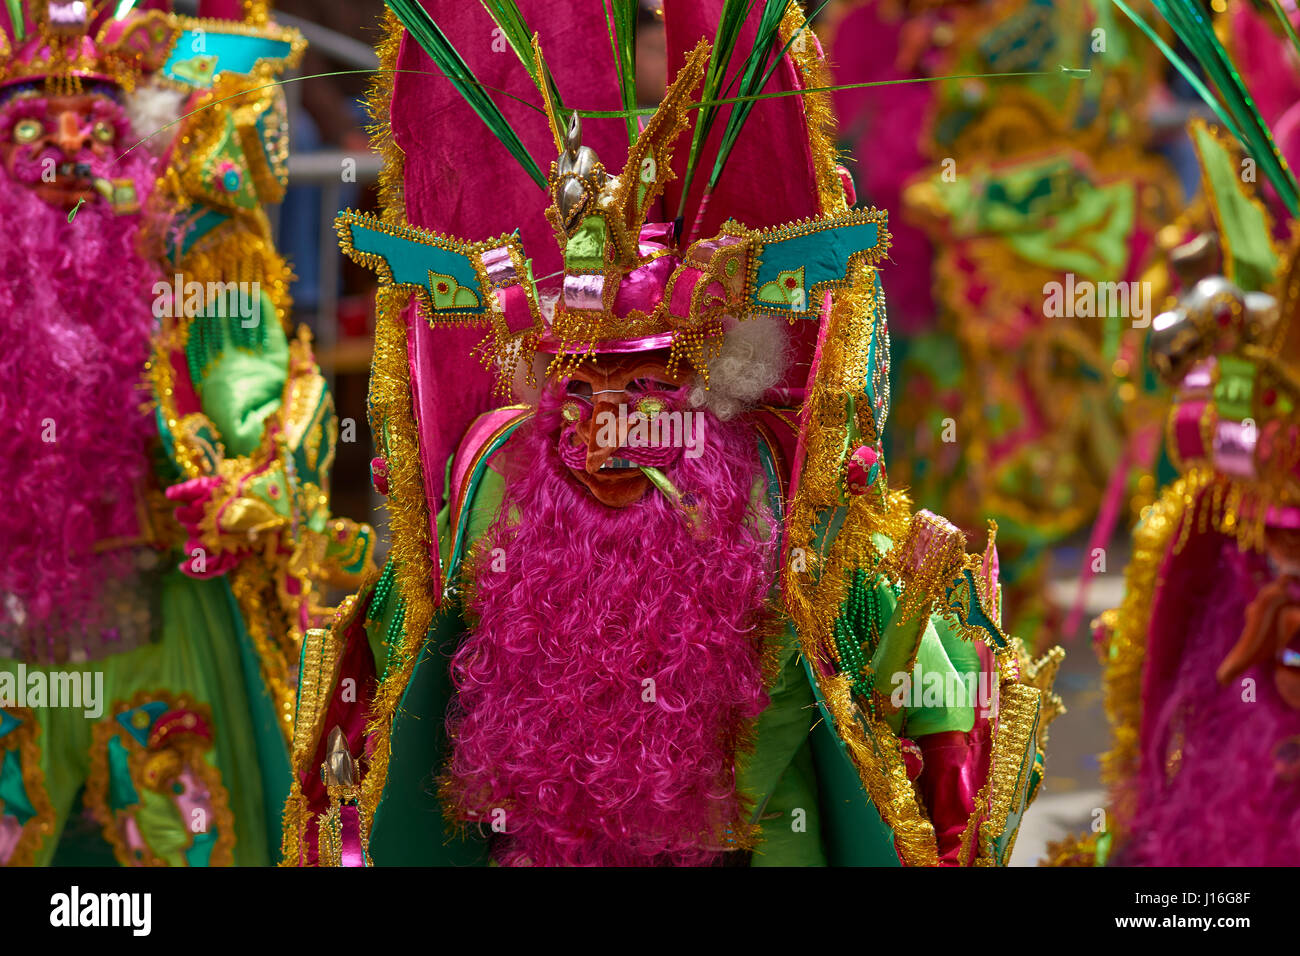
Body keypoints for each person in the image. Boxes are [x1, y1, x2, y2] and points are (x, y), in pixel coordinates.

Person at [282, 0, 1061, 867]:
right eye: (585, 381)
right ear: (544, 378)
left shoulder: (770, 479)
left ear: (710, 379)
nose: (614, 419)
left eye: (648, 382)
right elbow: (410, 652)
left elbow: (888, 656)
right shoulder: (495, 470)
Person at [0, 0, 372, 867]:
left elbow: (262, 389)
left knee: (173, 824)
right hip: (16, 611)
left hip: (163, 595)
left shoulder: (195, 251)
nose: (63, 156)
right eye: (28, 132)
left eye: (93, 130)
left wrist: (249, 484)